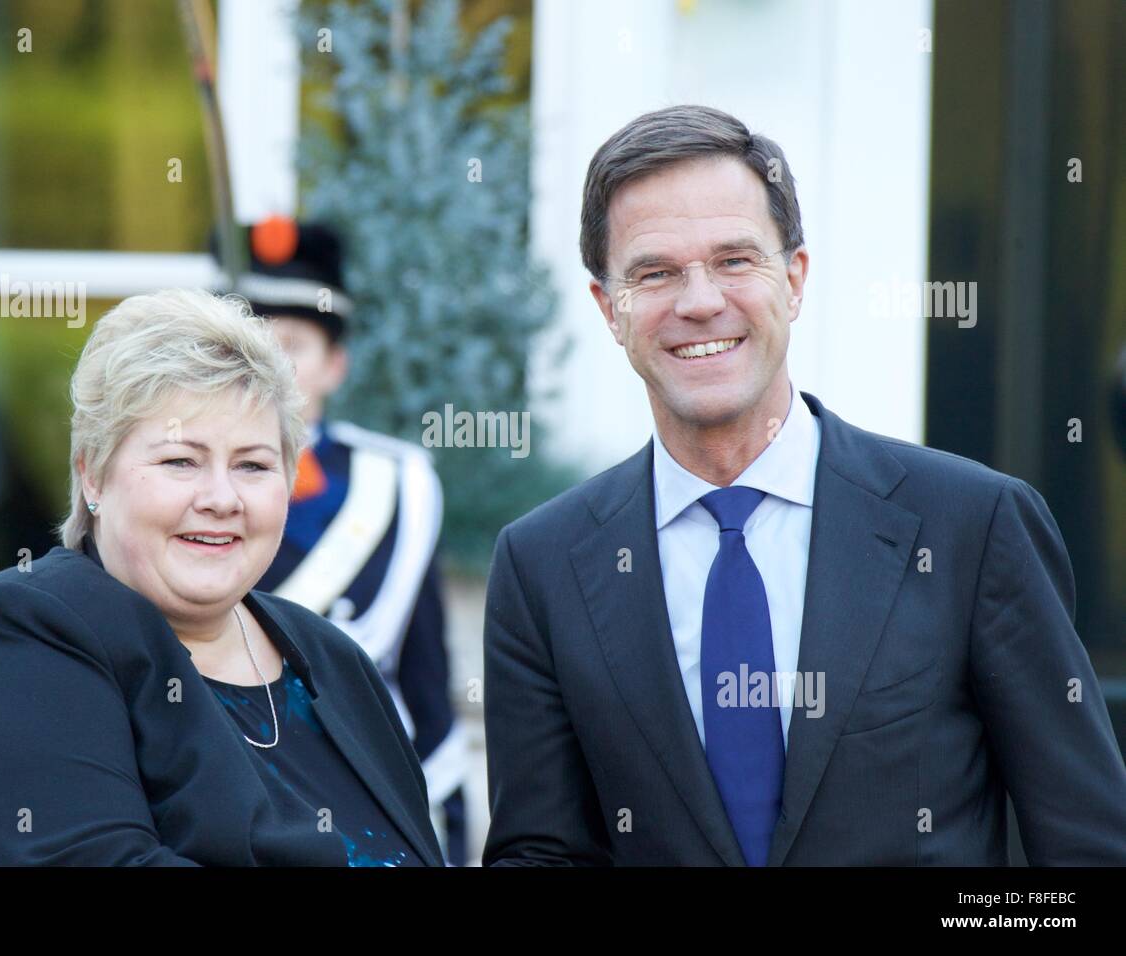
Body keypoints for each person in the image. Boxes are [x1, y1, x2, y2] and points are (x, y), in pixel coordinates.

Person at [481, 104, 1126, 866]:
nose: (699, 301)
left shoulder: (970, 527)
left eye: (734, 260)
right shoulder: (542, 566)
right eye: (655, 273)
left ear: (794, 280)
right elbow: (541, 853)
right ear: (608, 310)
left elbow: (1087, 847)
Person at [0, 289, 443, 866]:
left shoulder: (331, 658)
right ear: (93, 476)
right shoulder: (29, 632)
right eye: (180, 462)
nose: (222, 499)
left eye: (253, 465)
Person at [232, 216, 468, 865]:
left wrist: (444, 819)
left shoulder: (397, 482)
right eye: (251, 346)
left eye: (292, 346)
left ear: (335, 364)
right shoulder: (191, 484)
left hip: (362, 765)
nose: (271, 368)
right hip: (227, 772)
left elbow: (424, 663)